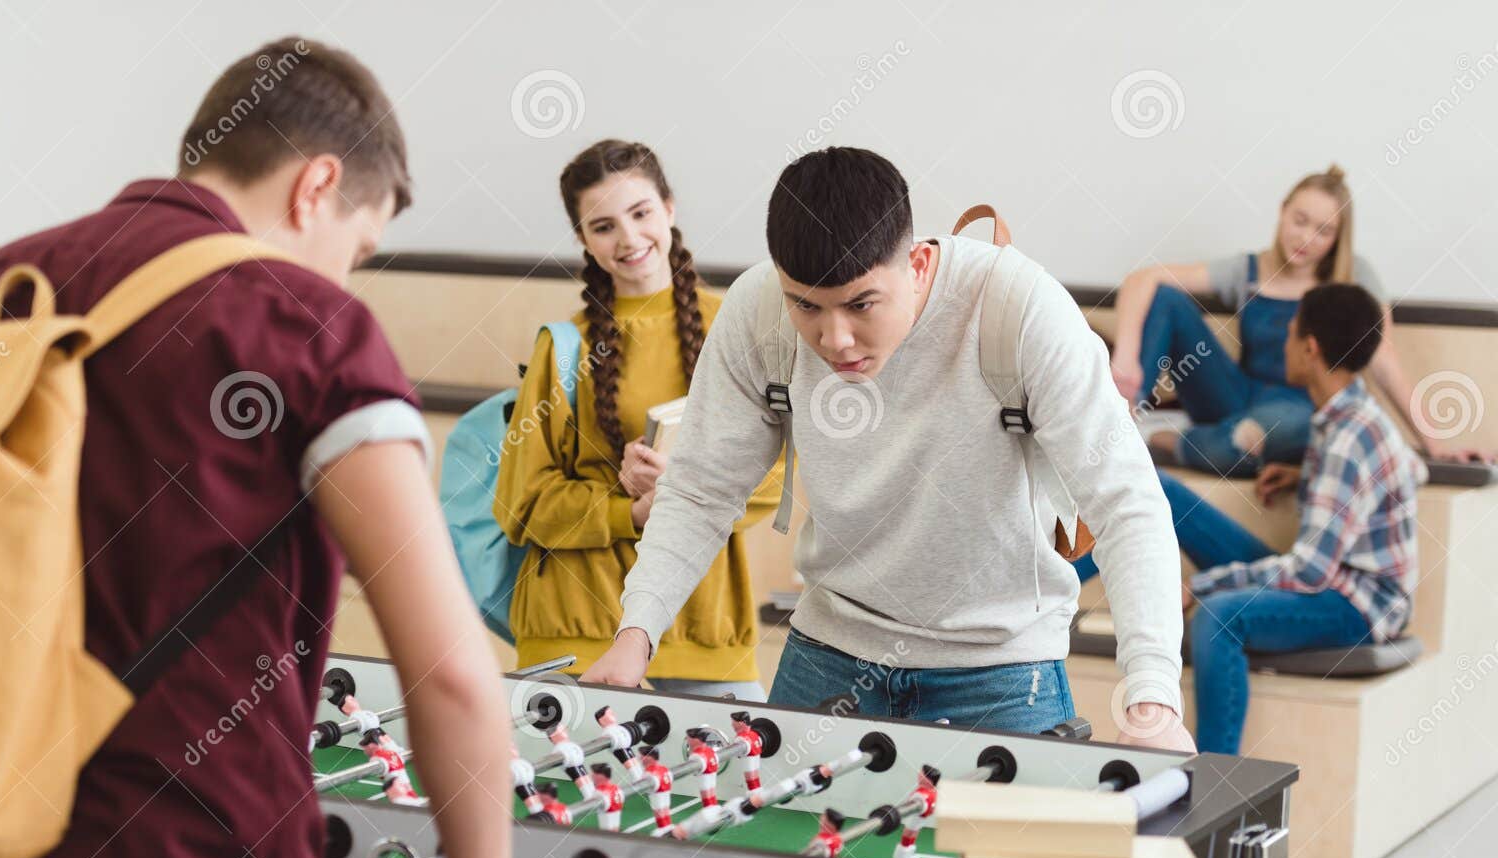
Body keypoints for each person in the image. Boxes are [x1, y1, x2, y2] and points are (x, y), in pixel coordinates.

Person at [0, 38, 526, 858]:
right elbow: (451, 670)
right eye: (359, 248)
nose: (347, 274)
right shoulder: (306, 327)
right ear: (318, 185)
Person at [585, 147, 1192, 750]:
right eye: (806, 306)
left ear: (920, 264)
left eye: (861, 304)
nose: (835, 338)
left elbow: (1126, 504)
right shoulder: (757, 311)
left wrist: (1154, 698)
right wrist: (634, 634)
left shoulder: (1020, 309)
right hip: (827, 656)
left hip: (1001, 675)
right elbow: (699, 489)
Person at [495, 140, 784, 700]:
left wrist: (683, 485)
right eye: (603, 226)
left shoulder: (736, 325)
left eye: (641, 212)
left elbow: (777, 480)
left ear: (669, 209)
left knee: (727, 785)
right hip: (572, 631)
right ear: (583, 239)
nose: (627, 238)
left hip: (703, 628)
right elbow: (519, 504)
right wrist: (629, 509)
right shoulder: (564, 346)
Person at [1108, 166, 1487, 472]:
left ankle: (1158, 437)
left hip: (1298, 413)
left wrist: (1435, 446)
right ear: (1282, 212)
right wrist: (1125, 361)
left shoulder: (1352, 279)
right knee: (1165, 297)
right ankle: (1117, 421)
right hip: (1237, 395)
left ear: (1338, 238)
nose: (1306, 238)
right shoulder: (1249, 269)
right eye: (1300, 220)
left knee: (1241, 441)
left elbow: (1385, 362)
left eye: (1323, 231)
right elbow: (1145, 278)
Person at [1175, 284, 1421, 754]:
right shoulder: (1346, 419)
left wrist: (1203, 586)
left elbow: (1308, 572)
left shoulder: (1350, 439)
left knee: (1219, 617)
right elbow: (1411, 467)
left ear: (1310, 349)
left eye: (1290, 335)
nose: (1283, 345)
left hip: (1360, 605)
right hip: (1329, 576)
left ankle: (1214, 787)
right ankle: (1057, 597)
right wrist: (1307, 474)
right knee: (1166, 496)